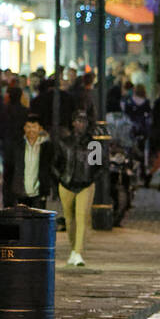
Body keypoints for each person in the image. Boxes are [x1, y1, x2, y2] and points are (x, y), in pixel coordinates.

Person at [53, 111, 101, 267]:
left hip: (85, 184)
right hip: (66, 183)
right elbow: (55, 163)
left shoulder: (93, 144)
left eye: (83, 121)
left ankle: (78, 252)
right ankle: (74, 249)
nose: (80, 124)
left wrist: (90, 179)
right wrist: (61, 177)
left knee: (82, 217)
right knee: (69, 219)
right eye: (77, 120)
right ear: (72, 123)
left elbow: (98, 166)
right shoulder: (64, 142)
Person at [6, 114, 55, 209]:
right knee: (21, 222)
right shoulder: (17, 146)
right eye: (28, 127)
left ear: (40, 128)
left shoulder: (47, 147)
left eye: (34, 127)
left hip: (39, 193)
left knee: (38, 222)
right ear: (24, 128)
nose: (31, 130)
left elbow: (50, 168)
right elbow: (9, 170)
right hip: (20, 192)